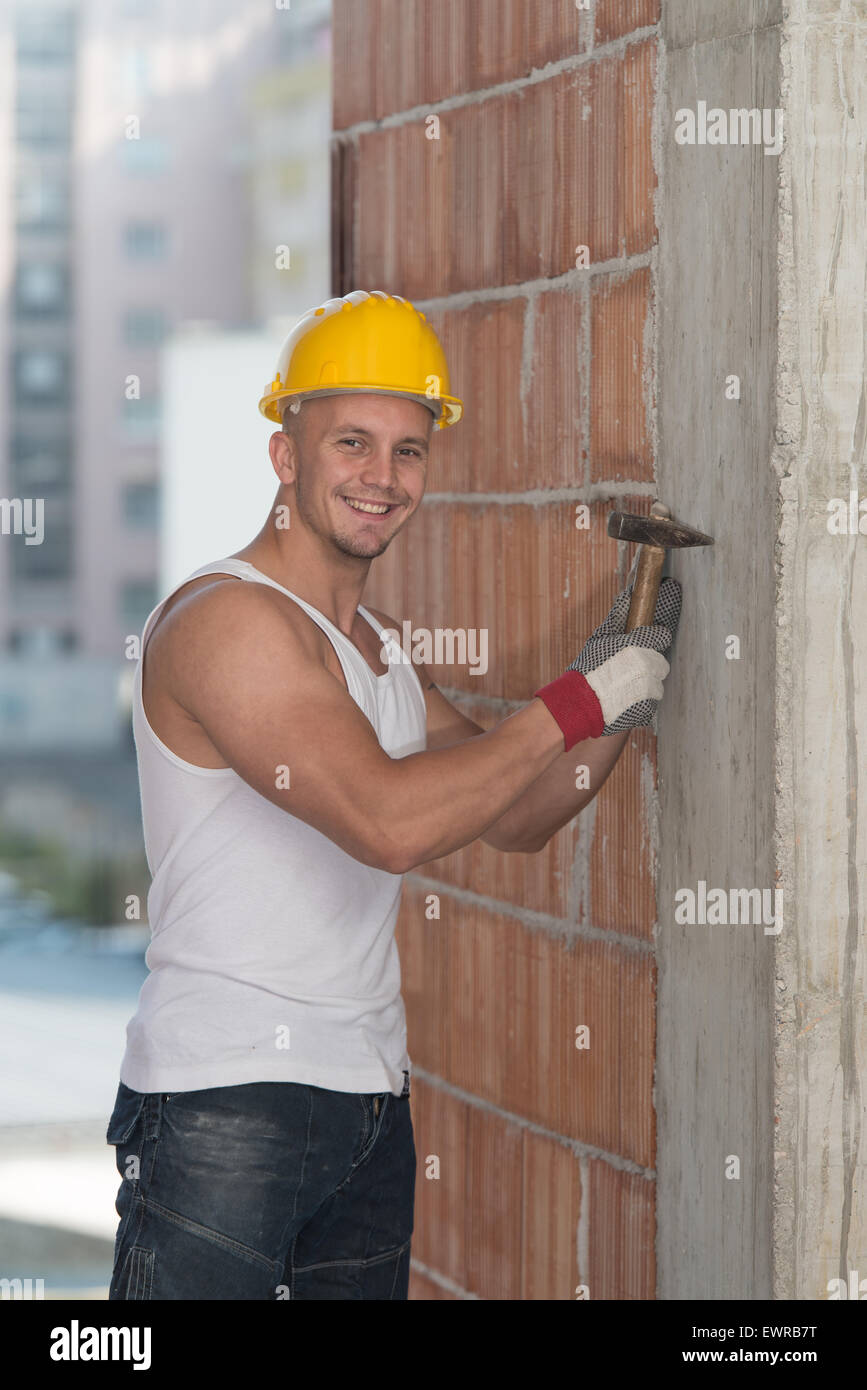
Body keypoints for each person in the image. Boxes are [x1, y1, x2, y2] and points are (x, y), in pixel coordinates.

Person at [105, 289, 680, 1300]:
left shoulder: (377, 653)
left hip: (367, 1102)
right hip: (224, 1107)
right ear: (287, 453)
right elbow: (392, 821)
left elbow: (517, 813)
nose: (382, 478)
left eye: (409, 450)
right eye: (352, 444)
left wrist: (619, 695)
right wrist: (580, 697)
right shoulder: (226, 622)